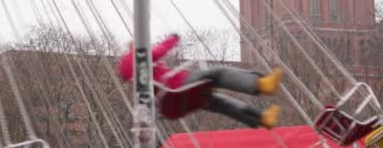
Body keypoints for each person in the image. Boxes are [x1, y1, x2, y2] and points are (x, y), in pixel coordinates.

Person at [118, 33, 282, 129]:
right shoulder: (131, 59)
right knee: (218, 73)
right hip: (177, 88)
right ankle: (261, 85)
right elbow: (157, 52)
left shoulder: (133, 71)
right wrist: (172, 39)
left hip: (171, 106)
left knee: (221, 103)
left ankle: (263, 118)